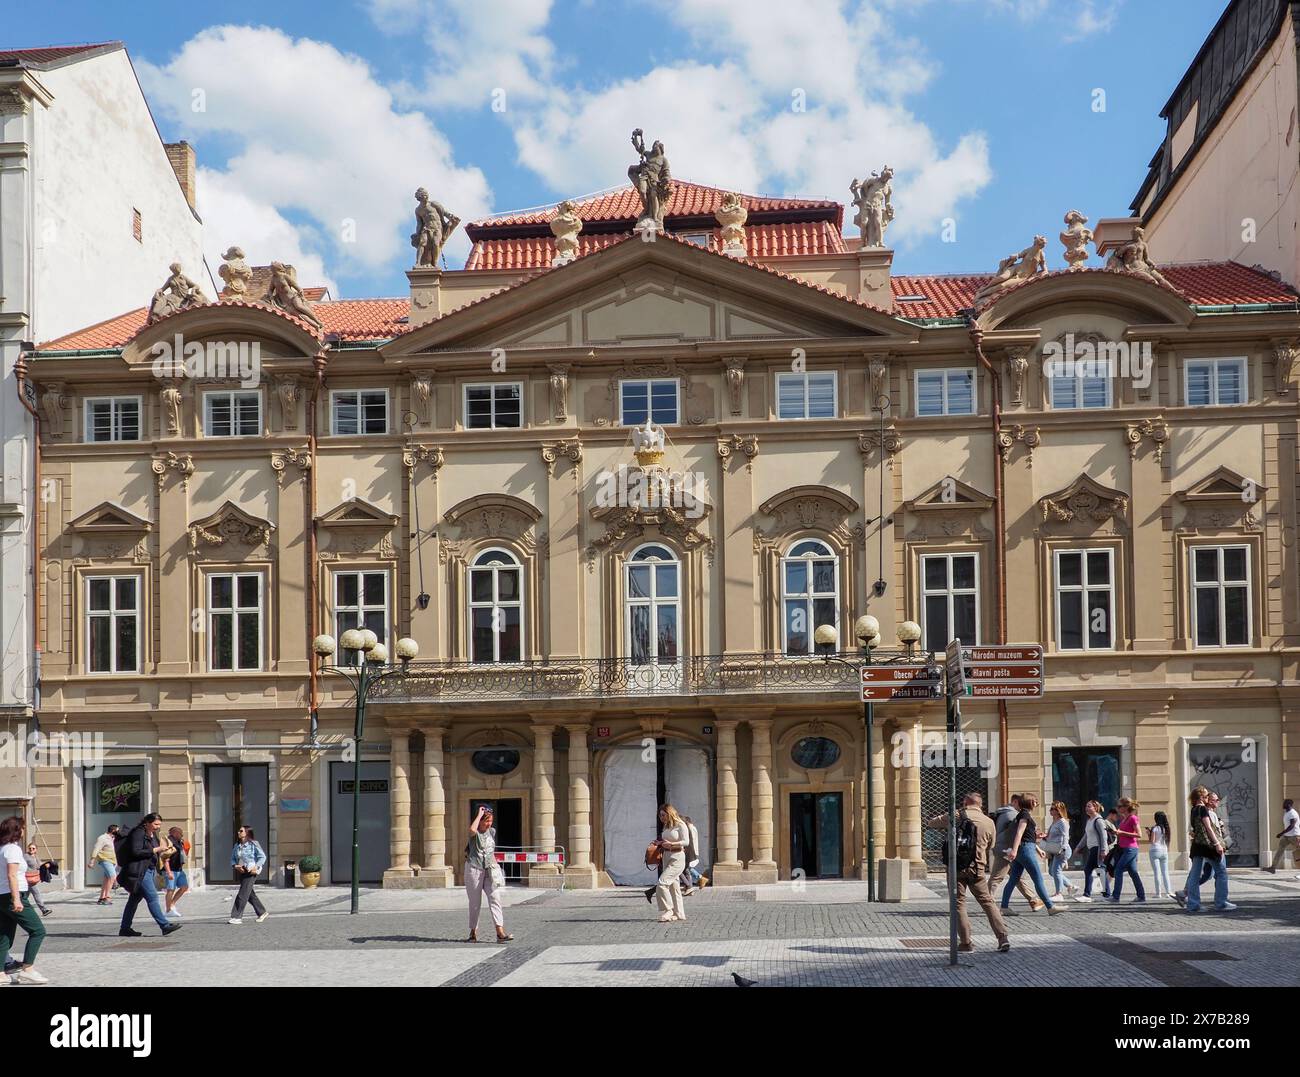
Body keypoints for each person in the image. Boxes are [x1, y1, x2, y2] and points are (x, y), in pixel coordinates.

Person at [925, 792, 1009, 954]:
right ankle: (1002, 937)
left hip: (956, 867)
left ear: (965, 802)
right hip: (977, 868)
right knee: (988, 902)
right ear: (980, 805)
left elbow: (931, 823)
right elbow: (991, 846)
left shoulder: (956, 815)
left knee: (958, 904)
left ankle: (965, 943)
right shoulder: (989, 821)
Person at [0, 817, 48, 984]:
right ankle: (27, 969)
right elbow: (12, 874)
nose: (23, 831)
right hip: (14, 895)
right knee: (38, 931)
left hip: (2, 895)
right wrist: (16, 899)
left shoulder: (2, 849)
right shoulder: (13, 849)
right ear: (16, 830)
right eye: (21, 828)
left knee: (4, 935)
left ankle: (0, 974)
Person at [999, 793, 1063, 915]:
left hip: (1024, 849)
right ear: (1029, 802)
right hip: (1025, 850)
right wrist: (1014, 850)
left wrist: (1037, 847)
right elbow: (1019, 833)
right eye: (1034, 801)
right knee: (1038, 878)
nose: (1036, 803)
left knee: (1013, 879)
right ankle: (1050, 907)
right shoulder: (1024, 814)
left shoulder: (1022, 814)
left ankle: (1004, 907)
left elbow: (1026, 835)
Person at [118, 813, 181, 938]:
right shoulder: (138, 833)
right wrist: (156, 849)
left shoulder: (151, 834)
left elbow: (154, 850)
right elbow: (135, 851)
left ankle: (125, 928)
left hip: (149, 870)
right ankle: (164, 926)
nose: (158, 827)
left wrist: (164, 851)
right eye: (155, 824)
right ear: (147, 822)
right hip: (140, 871)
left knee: (133, 900)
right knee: (152, 898)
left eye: (159, 825)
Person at [1178, 786, 1236, 913]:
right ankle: (1221, 903)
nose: (1207, 798)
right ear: (1201, 797)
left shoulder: (1193, 809)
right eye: (1205, 796)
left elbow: (1195, 830)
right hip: (1207, 846)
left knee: (1194, 875)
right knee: (1221, 873)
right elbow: (1208, 828)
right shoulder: (1203, 809)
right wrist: (1217, 844)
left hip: (1197, 846)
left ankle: (1193, 905)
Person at [464, 806, 512, 943]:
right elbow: (472, 829)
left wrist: (496, 868)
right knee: (475, 903)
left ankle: (500, 932)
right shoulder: (474, 833)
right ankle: (473, 932)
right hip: (474, 869)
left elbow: (490, 852)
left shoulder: (492, 831)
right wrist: (479, 814)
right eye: (486, 821)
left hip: (489, 870)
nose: (489, 823)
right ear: (479, 821)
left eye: (491, 820)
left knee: (495, 899)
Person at [989, 795, 1043, 913]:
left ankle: (1033, 900)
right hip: (1006, 850)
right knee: (997, 877)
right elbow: (1019, 834)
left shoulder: (1005, 812)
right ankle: (989, 904)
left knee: (1017, 877)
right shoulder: (1012, 814)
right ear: (1015, 802)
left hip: (1006, 849)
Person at [653, 804, 689, 924]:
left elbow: (686, 842)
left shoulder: (680, 825)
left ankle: (668, 909)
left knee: (662, 883)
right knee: (674, 887)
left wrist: (672, 844)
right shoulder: (666, 826)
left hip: (677, 857)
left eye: (663, 815)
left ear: (670, 813)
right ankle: (679, 913)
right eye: (660, 815)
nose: (661, 817)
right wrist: (660, 842)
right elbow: (667, 840)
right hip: (666, 856)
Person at [228, 825, 270, 925]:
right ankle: (262, 912)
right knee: (249, 893)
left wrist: (257, 866)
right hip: (242, 870)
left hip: (251, 870)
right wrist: (235, 866)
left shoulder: (253, 844)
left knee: (242, 893)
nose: (239, 832)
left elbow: (262, 857)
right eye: (239, 831)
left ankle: (236, 916)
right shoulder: (237, 846)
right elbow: (232, 859)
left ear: (247, 832)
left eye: (241, 831)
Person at [1109, 797, 1146, 903]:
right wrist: (1116, 833)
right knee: (1133, 872)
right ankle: (1141, 896)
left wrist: (1121, 833)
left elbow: (1139, 834)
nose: (1117, 808)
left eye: (1119, 806)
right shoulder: (1124, 819)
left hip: (1131, 848)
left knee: (1118, 869)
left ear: (1126, 807)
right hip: (1124, 848)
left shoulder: (1133, 818)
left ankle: (1115, 897)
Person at [1074, 800, 1111, 901]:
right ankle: (1107, 894)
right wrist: (1078, 847)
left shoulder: (1098, 820)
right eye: (1086, 806)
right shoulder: (1089, 820)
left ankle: (1087, 895)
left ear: (1095, 808)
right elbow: (1086, 836)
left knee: (1088, 870)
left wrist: (1103, 850)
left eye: (1089, 806)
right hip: (1092, 848)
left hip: (1098, 848)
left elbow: (1104, 836)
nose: (1086, 808)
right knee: (1100, 871)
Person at [1043, 802, 1076, 898]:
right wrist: (1044, 836)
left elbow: (1066, 836)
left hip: (1062, 849)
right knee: (1051, 871)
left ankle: (1059, 893)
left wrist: (1064, 848)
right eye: (1051, 808)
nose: (1051, 810)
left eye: (1053, 809)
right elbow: (1052, 836)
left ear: (1059, 811)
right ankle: (1070, 886)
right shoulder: (1054, 822)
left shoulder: (1062, 822)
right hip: (1055, 849)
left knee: (1056, 871)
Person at [1265, 798, 1299, 873]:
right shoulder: (1287, 812)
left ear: (1289, 805)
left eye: (1285, 803)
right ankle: (1272, 868)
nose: (1283, 804)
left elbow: (1292, 826)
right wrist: (1284, 834)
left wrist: (1281, 833)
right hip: (1286, 836)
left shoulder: (1292, 813)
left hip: (1294, 836)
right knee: (1279, 851)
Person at [88, 824, 119, 905]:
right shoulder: (102, 838)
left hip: (112, 861)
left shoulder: (113, 838)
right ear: (113, 831)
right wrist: (92, 861)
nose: (119, 832)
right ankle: (107, 897)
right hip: (105, 860)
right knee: (112, 876)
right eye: (118, 830)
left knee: (107, 879)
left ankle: (101, 898)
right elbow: (96, 848)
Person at [163, 826, 189, 918]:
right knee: (171, 889)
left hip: (179, 869)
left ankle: (172, 904)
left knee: (184, 887)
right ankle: (168, 910)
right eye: (180, 833)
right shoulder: (168, 842)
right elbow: (165, 857)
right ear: (175, 833)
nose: (182, 835)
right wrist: (168, 871)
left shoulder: (179, 842)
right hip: (171, 869)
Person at [1147, 810, 1172, 898]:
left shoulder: (1155, 828)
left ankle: (1158, 893)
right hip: (1164, 850)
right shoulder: (1166, 828)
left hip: (1155, 850)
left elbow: (1152, 841)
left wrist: (1149, 834)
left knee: (1157, 873)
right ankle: (1168, 892)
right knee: (1165, 872)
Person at [22, 843, 52, 916]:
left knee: (24, 896)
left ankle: (18, 908)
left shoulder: (35, 856)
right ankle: (44, 910)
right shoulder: (25, 856)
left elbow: (39, 866)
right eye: (30, 848)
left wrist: (47, 865)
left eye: (33, 848)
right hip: (28, 879)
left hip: (33, 878)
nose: (31, 850)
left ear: (36, 850)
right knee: (36, 893)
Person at [681, 815, 704, 896]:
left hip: (690, 851)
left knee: (686, 869)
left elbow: (691, 841)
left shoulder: (689, 828)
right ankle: (688, 885)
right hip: (691, 851)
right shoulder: (691, 827)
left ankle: (697, 880)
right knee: (687, 869)